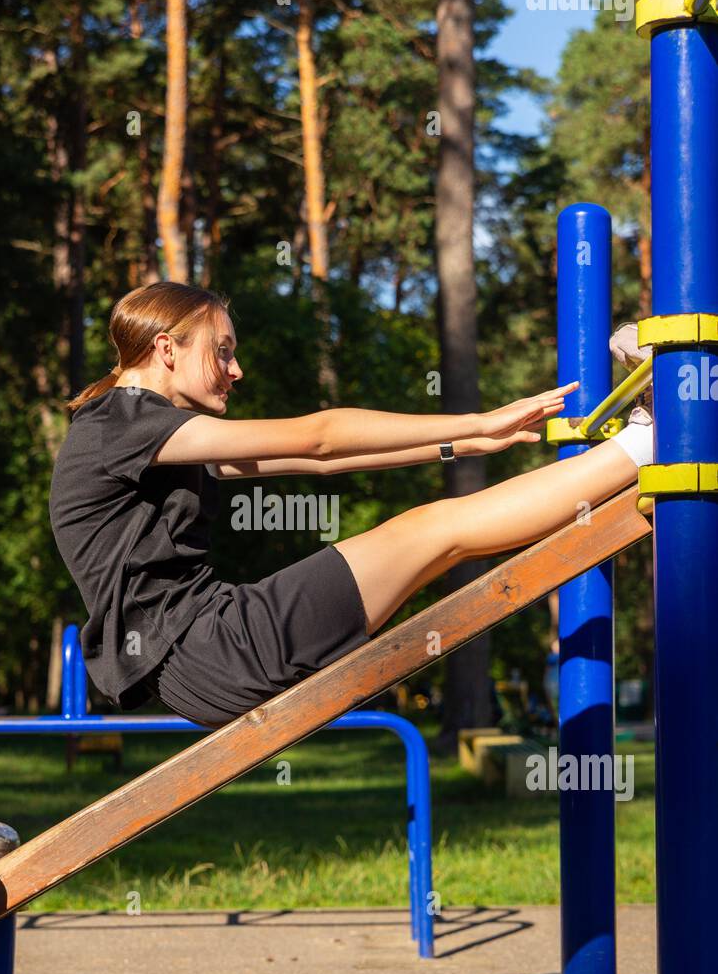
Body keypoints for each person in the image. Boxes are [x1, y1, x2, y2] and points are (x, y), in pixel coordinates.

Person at [49, 284, 652, 728]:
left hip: (201, 655)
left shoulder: (145, 434)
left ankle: (637, 444)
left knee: (437, 531)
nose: (237, 369)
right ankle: (645, 442)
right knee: (435, 529)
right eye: (223, 350)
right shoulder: (123, 422)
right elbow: (319, 437)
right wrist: (477, 419)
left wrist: (465, 440)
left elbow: (324, 461)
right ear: (166, 349)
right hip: (208, 649)